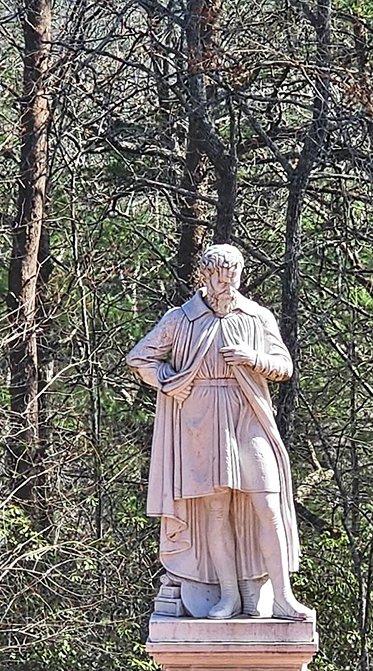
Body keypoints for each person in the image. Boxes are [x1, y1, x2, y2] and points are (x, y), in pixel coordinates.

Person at [127, 243, 313, 621]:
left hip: (247, 414)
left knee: (268, 504)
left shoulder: (256, 317)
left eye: (234, 276)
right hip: (202, 420)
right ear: (205, 278)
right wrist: (170, 382)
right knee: (216, 511)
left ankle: (281, 595)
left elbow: (283, 365)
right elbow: (139, 357)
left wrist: (253, 358)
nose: (228, 284)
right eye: (220, 277)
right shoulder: (181, 319)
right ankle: (227, 596)